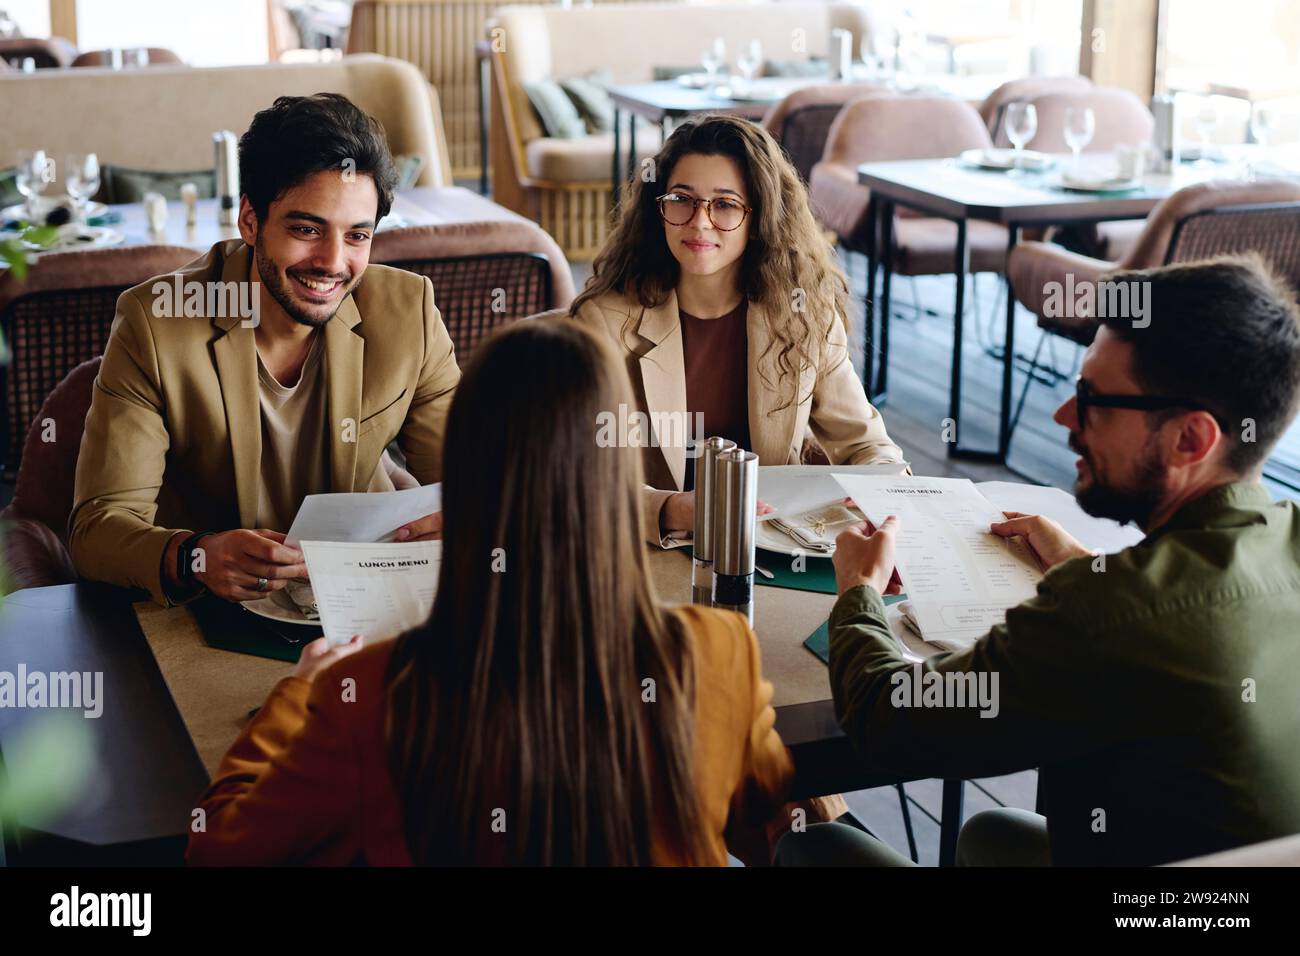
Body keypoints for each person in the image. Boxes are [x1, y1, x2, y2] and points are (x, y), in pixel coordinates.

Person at [186, 319, 795, 866]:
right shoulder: (722, 653)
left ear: (466, 476)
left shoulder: (369, 697)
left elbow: (218, 849)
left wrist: (297, 695)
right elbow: (763, 826)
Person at [781, 255, 1300, 866]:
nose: (1063, 417)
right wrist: (1080, 567)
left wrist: (858, 589)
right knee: (991, 836)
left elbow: (886, 720)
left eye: (1094, 400)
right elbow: (1170, 622)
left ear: (1192, 439)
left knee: (815, 845)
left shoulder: (1105, 614)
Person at [70, 93, 458, 607]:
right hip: (212, 617)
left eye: (357, 236)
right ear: (250, 220)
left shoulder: (411, 313)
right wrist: (194, 556)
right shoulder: (156, 323)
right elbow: (96, 531)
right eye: (306, 229)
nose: (332, 262)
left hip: (365, 602)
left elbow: (469, 487)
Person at [570, 114, 905, 547]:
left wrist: (891, 502)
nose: (700, 222)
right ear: (659, 207)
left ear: (759, 217)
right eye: (681, 199)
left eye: (725, 204)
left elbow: (865, 445)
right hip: (643, 551)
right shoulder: (605, 323)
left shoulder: (804, 314)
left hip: (774, 550)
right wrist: (670, 509)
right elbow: (574, 475)